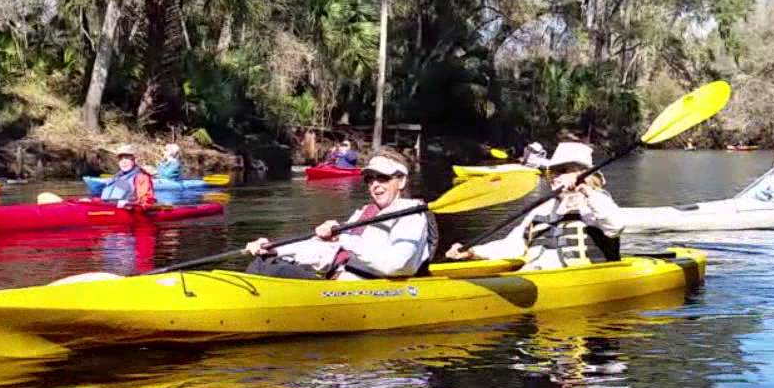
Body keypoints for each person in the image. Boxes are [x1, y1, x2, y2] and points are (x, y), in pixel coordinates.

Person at [244, 151, 433, 280]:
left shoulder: (412, 215)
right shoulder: (364, 213)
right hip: (336, 287)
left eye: (382, 178)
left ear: (401, 181)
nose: (375, 185)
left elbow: (399, 265)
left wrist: (344, 238)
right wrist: (276, 249)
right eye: (369, 179)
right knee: (265, 263)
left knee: (271, 269)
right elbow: (327, 252)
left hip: (367, 293)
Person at [445, 141, 625, 270]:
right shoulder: (543, 208)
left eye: (563, 171)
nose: (555, 177)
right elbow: (514, 245)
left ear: (582, 174)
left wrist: (585, 189)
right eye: (552, 172)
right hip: (536, 276)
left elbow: (616, 226)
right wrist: (473, 252)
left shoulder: (595, 201)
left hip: (582, 281)